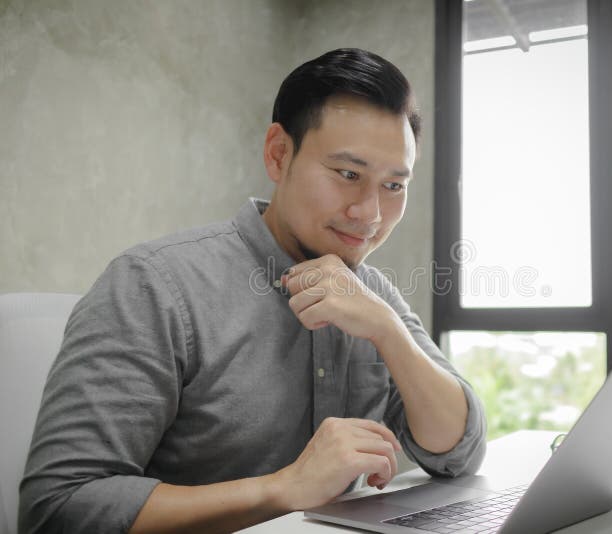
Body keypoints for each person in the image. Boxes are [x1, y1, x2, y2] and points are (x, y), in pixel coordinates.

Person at [19, 48, 487, 533]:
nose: (369, 214)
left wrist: (390, 332)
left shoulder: (370, 293)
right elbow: (58, 508)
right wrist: (283, 488)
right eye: (348, 175)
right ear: (279, 154)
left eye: (393, 185)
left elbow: (460, 452)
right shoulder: (153, 283)